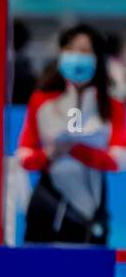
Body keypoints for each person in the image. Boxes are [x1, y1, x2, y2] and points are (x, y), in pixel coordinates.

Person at [18, 24, 125, 245]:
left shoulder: (111, 105)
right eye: (71, 50)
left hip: (90, 211)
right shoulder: (42, 101)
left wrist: (77, 150)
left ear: (97, 58)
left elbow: (119, 160)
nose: (77, 57)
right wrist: (49, 155)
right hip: (49, 205)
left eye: (85, 51)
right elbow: (24, 156)